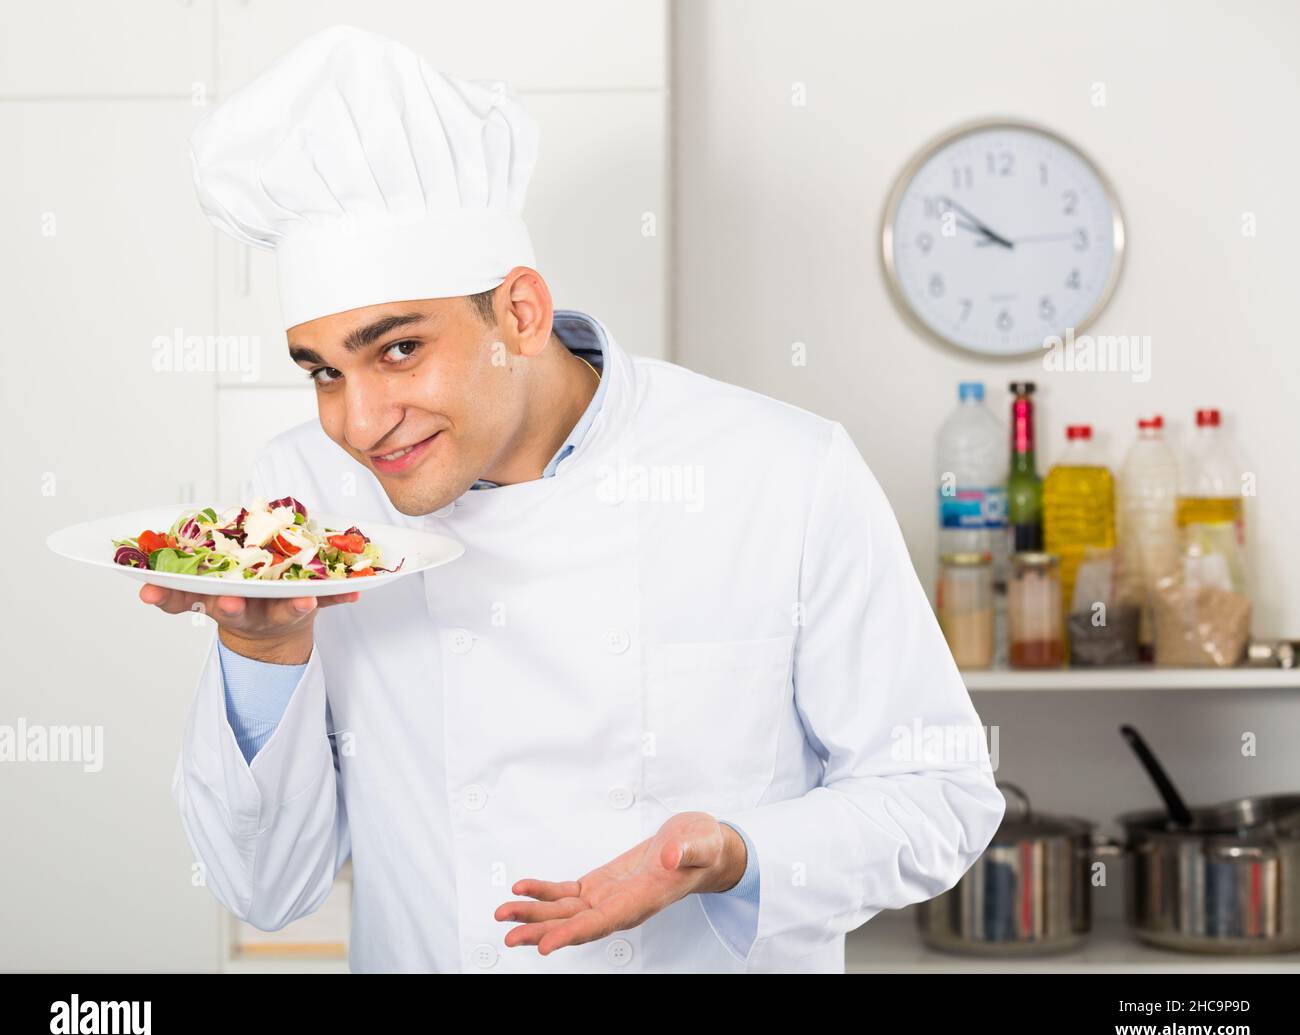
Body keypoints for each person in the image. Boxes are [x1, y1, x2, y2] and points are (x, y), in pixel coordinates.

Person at [154, 24, 1004, 973]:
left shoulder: (782, 471)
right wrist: (261, 651)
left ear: (520, 312)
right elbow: (265, 888)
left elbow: (940, 796)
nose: (359, 423)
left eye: (399, 350)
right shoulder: (300, 502)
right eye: (321, 371)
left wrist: (737, 854)